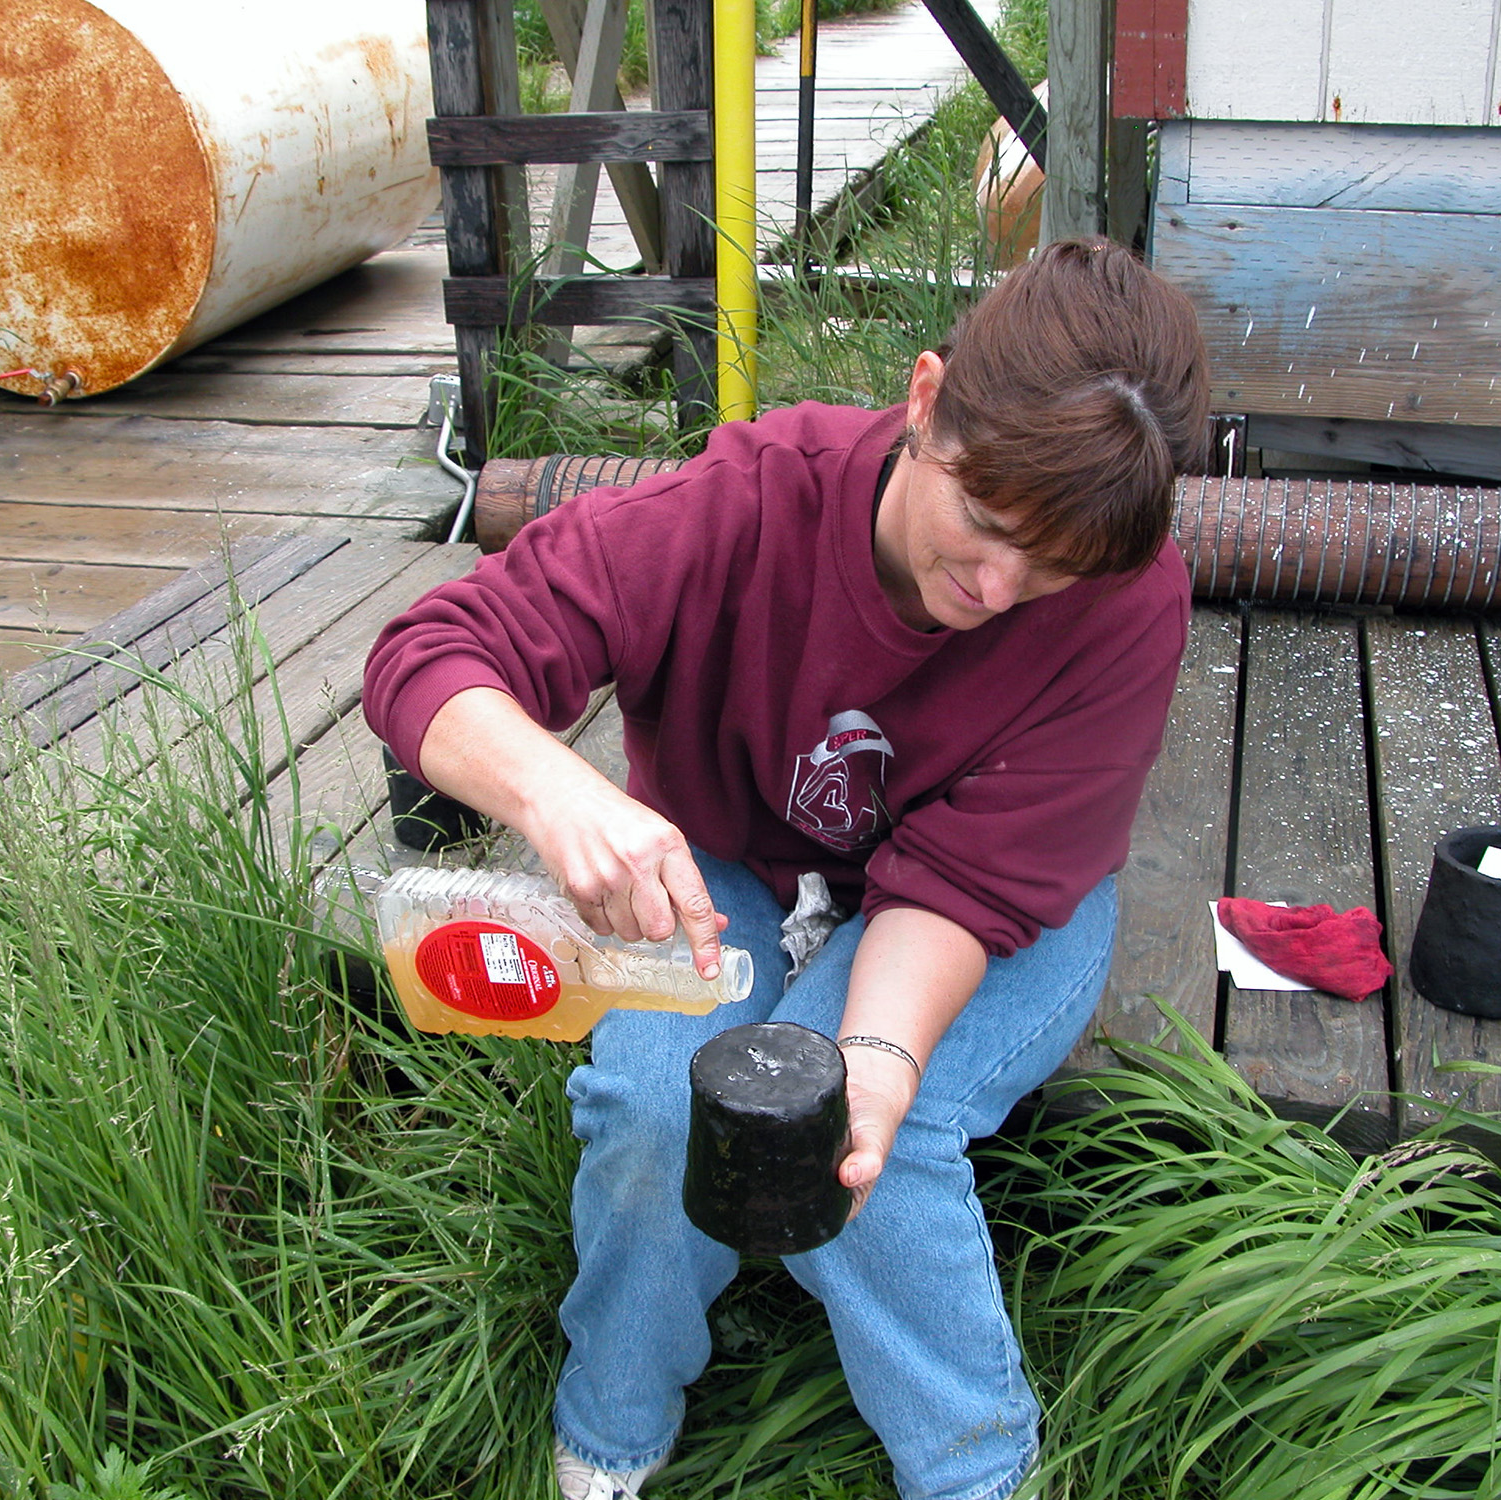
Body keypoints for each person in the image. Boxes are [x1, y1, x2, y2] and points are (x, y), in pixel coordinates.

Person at [362, 236, 1210, 1500]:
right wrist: (557, 793)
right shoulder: (750, 501)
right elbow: (431, 652)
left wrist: (868, 1059)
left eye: (1051, 569)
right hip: (737, 860)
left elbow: (962, 891)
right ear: (923, 401)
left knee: (870, 1133)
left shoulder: (1128, 602)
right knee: (655, 1105)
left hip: (989, 904)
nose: (994, 586)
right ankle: (606, 1436)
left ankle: (974, 1470)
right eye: (980, 521)